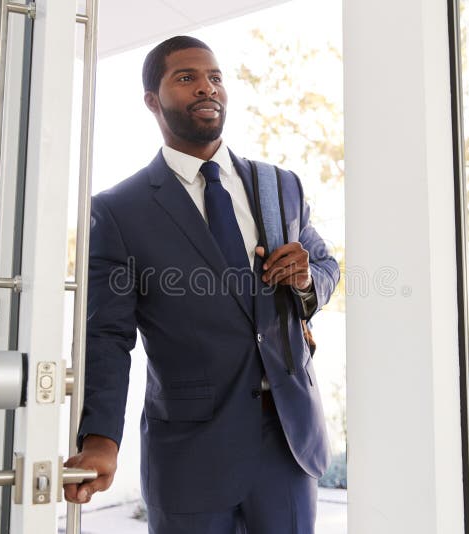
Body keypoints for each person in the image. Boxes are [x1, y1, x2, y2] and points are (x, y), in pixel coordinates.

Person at [63, 35, 339, 534]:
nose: (206, 88)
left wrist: (305, 278)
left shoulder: (280, 186)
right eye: (186, 77)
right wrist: (101, 437)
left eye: (214, 77)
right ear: (153, 100)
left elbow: (324, 266)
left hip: (287, 443)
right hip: (189, 449)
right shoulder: (120, 210)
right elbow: (108, 335)